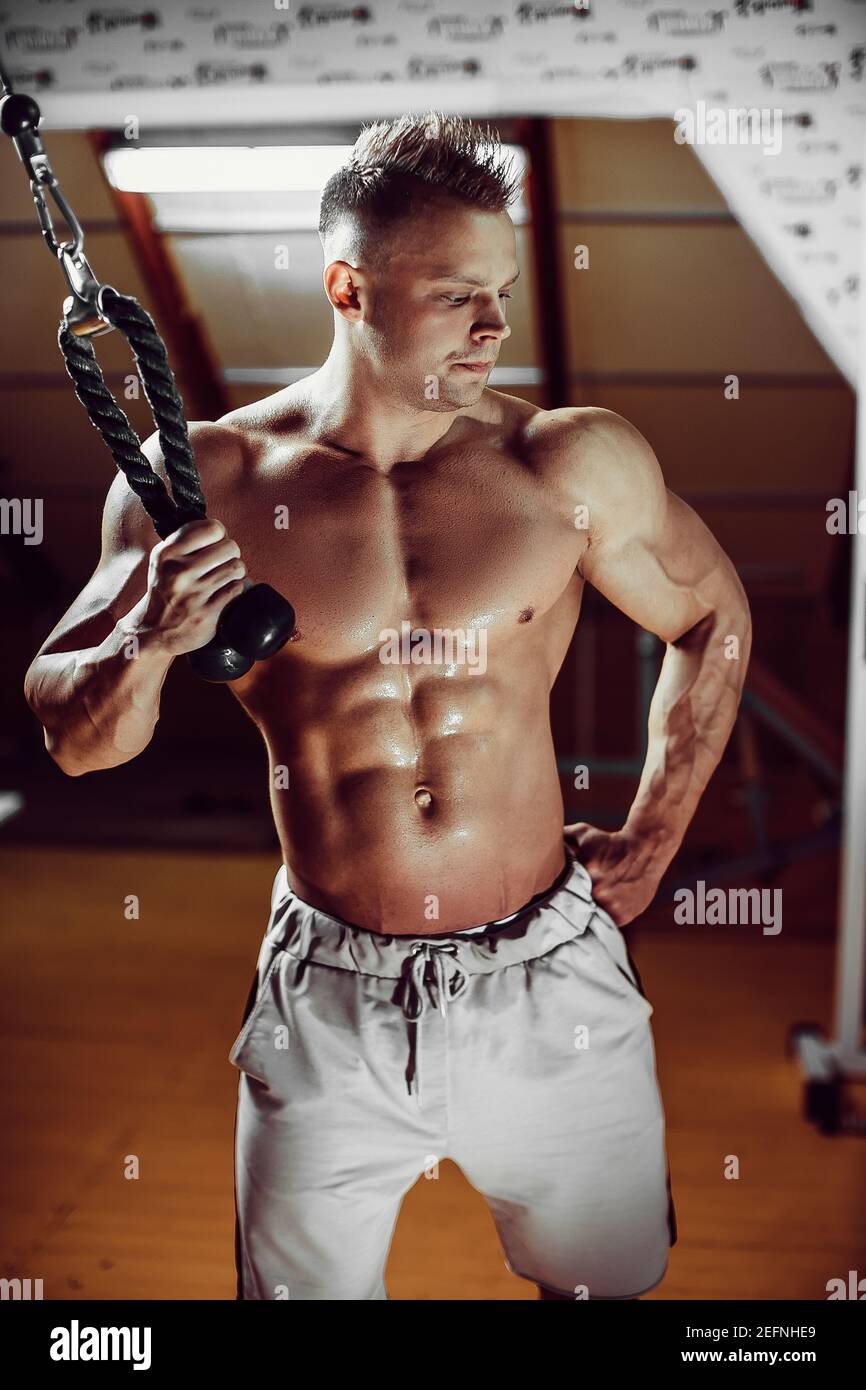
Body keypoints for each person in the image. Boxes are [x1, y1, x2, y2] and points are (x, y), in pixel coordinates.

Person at [24, 112, 752, 1301]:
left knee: (608, 1293)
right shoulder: (203, 481)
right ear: (347, 287)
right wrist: (149, 640)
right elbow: (72, 739)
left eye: (504, 292)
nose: (496, 327)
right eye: (460, 295)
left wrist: (656, 831)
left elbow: (711, 617)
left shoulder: (567, 464)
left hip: (551, 980)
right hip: (328, 1000)